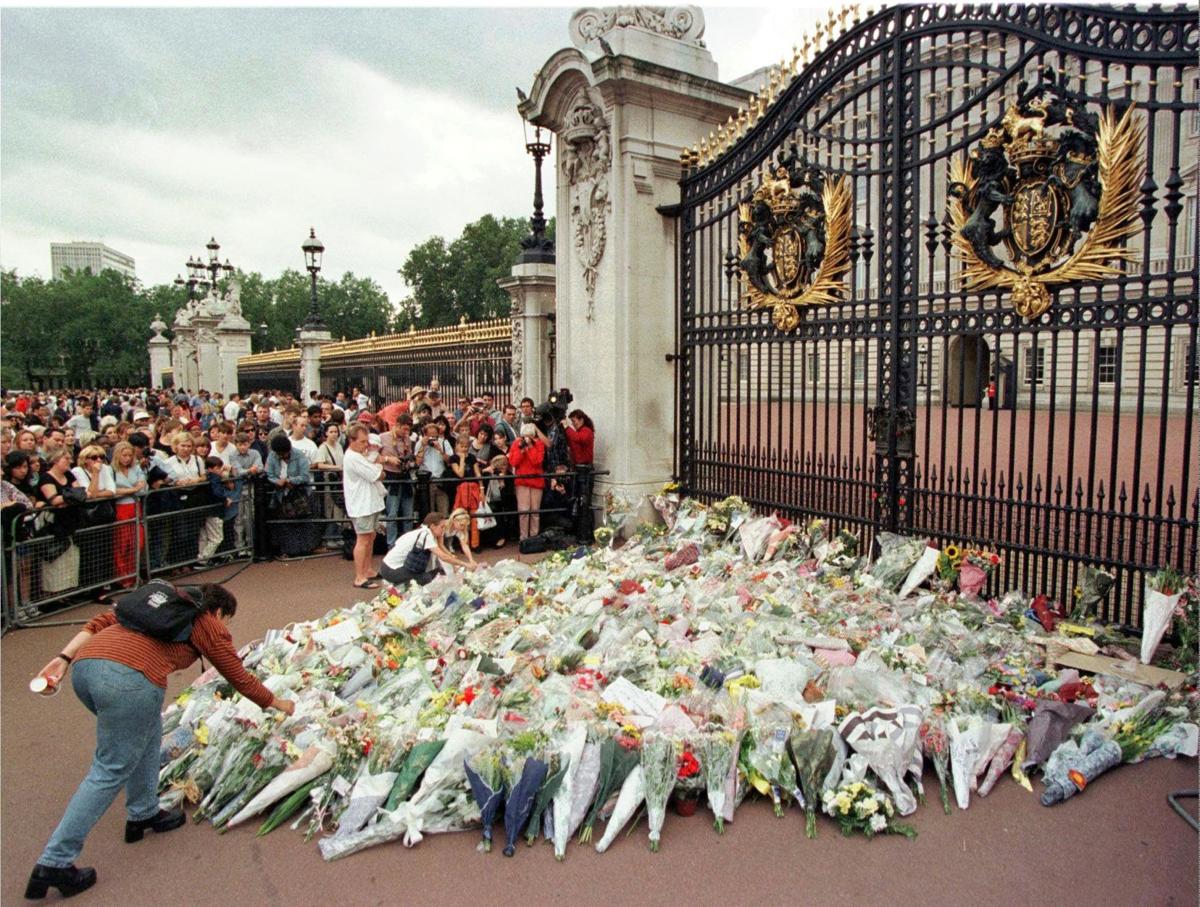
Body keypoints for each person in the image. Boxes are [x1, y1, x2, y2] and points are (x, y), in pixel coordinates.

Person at [25, 583, 295, 900]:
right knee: (111, 767)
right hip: (128, 680)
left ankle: (143, 812)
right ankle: (55, 862)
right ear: (220, 611)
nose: (225, 628)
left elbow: (98, 623)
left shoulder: (156, 603)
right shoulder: (206, 621)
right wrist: (277, 703)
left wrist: (63, 658)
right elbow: (236, 673)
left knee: (148, 734)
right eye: (227, 621)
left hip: (86, 668)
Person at [343, 422, 402, 589]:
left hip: (370, 502)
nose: (366, 445)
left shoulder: (360, 455)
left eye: (366, 441)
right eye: (362, 442)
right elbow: (377, 474)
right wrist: (379, 466)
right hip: (361, 505)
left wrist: (377, 465)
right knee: (363, 539)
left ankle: (367, 570)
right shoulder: (353, 457)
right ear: (351, 440)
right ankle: (359, 577)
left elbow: (376, 469)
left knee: (370, 537)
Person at [378, 512, 473, 587]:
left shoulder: (422, 532)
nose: (443, 530)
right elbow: (443, 557)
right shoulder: (426, 535)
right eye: (442, 527)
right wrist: (465, 564)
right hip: (392, 570)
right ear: (432, 526)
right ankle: (400, 583)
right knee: (432, 577)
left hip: (389, 567)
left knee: (435, 572)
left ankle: (404, 581)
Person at [110, 441, 146, 588]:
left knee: (138, 543)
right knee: (122, 545)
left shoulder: (136, 468)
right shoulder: (111, 470)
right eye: (124, 455)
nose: (127, 458)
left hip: (136, 508)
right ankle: (122, 577)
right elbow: (112, 490)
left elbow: (143, 489)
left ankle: (133, 575)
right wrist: (132, 489)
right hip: (120, 509)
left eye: (130, 455)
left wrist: (125, 490)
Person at [379, 415, 416, 546]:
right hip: (391, 476)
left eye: (408, 430)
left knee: (408, 513)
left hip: (404, 475)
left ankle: (408, 544)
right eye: (404, 429)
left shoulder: (407, 440)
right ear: (397, 426)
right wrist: (388, 459)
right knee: (392, 513)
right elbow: (373, 456)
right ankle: (391, 545)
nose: (406, 433)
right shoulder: (382, 438)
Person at [507, 422, 546, 540]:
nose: (526, 439)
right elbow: (513, 462)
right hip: (522, 481)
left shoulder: (539, 444)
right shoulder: (516, 443)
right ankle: (523, 537)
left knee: (535, 511)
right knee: (523, 511)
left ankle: (534, 537)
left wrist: (529, 448)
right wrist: (521, 451)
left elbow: (537, 461)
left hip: (536, 481)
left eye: (529, 436)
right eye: (524, 436)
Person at [415, 421, 453, 515]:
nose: (432, 438)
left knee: (444, 511)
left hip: (441, 481)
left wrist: (440, 450)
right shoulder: (420, 443)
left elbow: (450, 461)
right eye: (430, 436)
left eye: (434, 436)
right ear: (425, 435)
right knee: (429, 512)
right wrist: (423, 447)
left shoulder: (444, 442)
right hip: (427, 482)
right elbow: (417, 462)